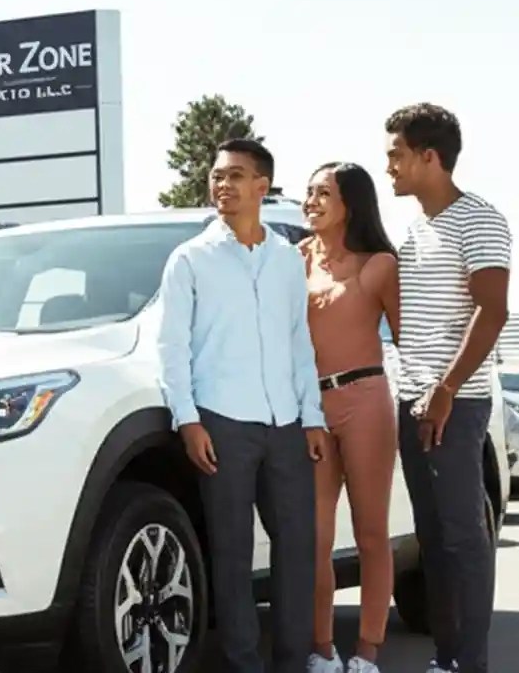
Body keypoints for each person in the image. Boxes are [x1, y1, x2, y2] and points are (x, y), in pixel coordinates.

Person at [157, 138, 328, 673]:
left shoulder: (284, 260)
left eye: (234, 176)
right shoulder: (189, 259)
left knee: (297, 548)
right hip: (221, 421)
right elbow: (171, 345)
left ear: (262, 186)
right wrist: (186, 418)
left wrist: (313, 415)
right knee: (231, 553)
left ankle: (292, 661)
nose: (222, 185)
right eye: (216, 176)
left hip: (286, 424)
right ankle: (243, 663)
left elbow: (299, 342)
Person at [384, 103, 511, 673]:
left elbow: (492, 311)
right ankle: (447, 657)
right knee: (432, 538)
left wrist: (446, 388)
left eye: (397, 154)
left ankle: (470, 662)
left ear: (429, 157)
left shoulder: (479, 220)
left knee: (462, 537)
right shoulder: (416, 230)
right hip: (412, 400)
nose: (389, 165)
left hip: (454, 405)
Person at [298, 162, 400, 673]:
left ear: (349, 204)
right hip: (312, 409)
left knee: (371, 533)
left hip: (366, 400)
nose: (311, 200)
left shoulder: (379, 263)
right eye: (309, 191)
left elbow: (412, 338)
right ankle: (321, 650)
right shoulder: (294, 260)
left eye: (323, 193)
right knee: (315, 535)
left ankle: (366, 653)